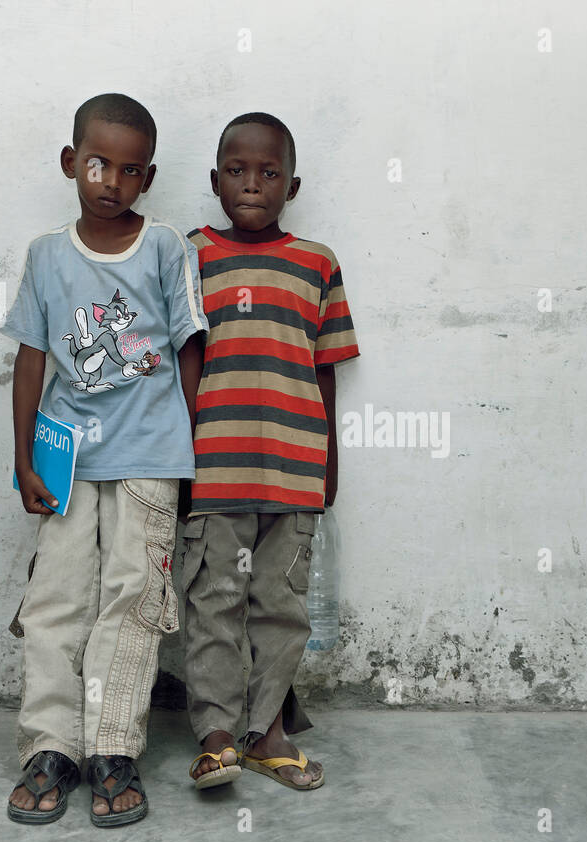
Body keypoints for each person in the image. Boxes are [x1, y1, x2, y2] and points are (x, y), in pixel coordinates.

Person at [0, 93, 207, 825]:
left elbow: (189, 349)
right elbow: (30, 360)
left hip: (149, 455)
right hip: (66, 457)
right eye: (97, 164)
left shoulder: (167, 248)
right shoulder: (46, 256)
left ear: (147, 177)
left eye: (129, 169)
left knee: (134, 599)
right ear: (70, 163)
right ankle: (51, 747)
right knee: (55, 599)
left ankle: (114, 747)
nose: (111, 181)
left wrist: (186, 450)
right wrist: (23, 457)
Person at [180, 112, 359, 791]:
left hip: (293, 469)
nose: (251, 184)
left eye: (269, 172)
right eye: (236, 170)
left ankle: (266, 733)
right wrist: (181, 456)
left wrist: (329, 463)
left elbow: (325, 369)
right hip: (214, 467)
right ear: (214, 180)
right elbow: (184, 361)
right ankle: (217, 734)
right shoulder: (191, 256)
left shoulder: (318, 263)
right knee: (214, 600)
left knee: (281, 606)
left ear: (293, 185)